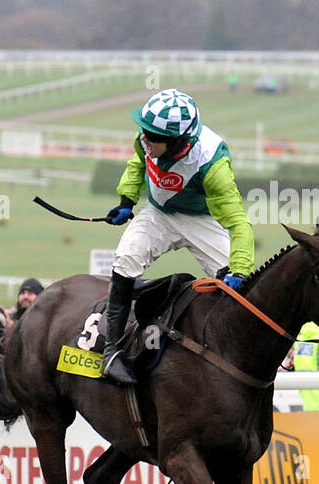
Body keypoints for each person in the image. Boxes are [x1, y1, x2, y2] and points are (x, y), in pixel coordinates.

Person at [100, 89, 254, 386]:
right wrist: (126, 201)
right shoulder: (147, 138)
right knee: (125, 260)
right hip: (159, 214)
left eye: (153, 137)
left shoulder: (212, 166)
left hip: (203, 221)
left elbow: (238, 223)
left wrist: (240, 269)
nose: (144, 140)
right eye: (144, 133)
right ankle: (112, 352)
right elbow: (136, 164)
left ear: (178, 143)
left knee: (240, 295)